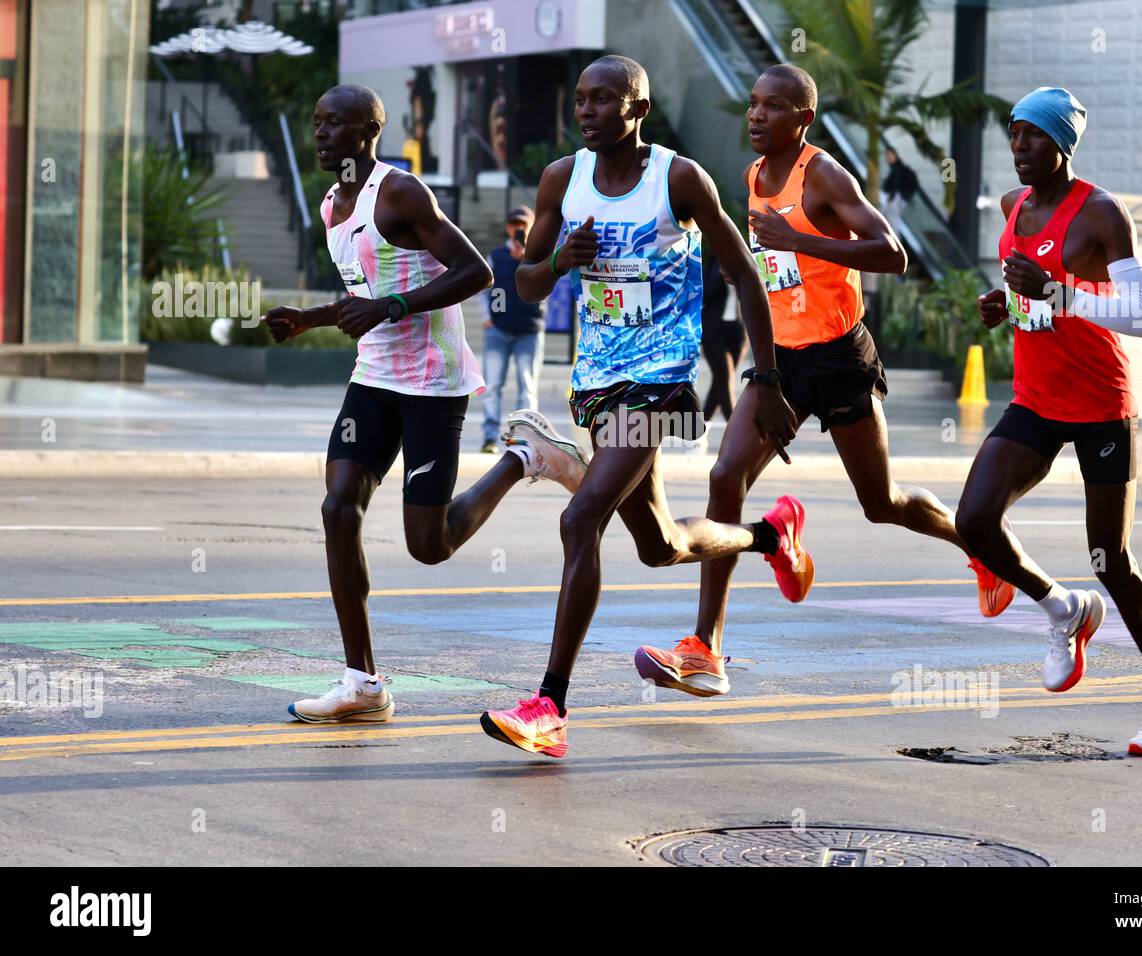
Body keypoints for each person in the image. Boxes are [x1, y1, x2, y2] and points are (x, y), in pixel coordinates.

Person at [635, 65, 1014, 699]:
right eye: (753, 104)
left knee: (881, 503)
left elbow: (892, 253)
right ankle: (707, 648)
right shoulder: (754, 176)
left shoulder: (825, 174)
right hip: (780, 360)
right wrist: (761, 318)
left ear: (802, 119)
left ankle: (979, 547)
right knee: (725, 477)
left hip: (841, 357)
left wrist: (801, 240)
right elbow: (768, 271)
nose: (756, 116)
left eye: (774, 107)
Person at [478, 55, 805, 758]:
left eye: (604, 100)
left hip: (662, 381)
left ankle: (550, 705)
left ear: (639, 109)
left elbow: (745, 275)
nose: (588, 111)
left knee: (580, 517)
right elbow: (529, 287)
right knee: (660, 545)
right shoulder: (560, 181)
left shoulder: (677, 179)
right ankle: (772, 536)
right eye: (580, 100)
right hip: (596, 380)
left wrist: (768, 379)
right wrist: (561, 261)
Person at [262, 84, 587, 724]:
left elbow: (477, 273)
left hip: (433, 381)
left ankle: (525, 459)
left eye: (335, 125)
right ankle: (362, 682)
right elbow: (366, 292)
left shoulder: (400, 192)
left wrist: (394, 307)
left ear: (367, 132)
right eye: (317, 122)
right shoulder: (333, 204)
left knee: (428, 546)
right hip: (375, 377)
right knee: (338, 508)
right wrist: (313, 317)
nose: (321, 134)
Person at [955, 87, 1142, 756]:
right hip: (1035, 398)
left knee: (1109, 559)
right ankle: (1063, 608)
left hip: (1100, 406)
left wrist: (1054, 293)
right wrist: (1005, 303)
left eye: (1032, 135)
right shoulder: (1013, 208)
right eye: (1013, 134)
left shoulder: (1101, 213)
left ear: (1063, 144)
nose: (1019, 147)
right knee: (973, 521)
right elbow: (1028, 290)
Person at [479, 206, 546, 453]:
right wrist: (487, 316)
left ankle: (525, 437)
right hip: (499, 328)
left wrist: (527, 260)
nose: (518, 228)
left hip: (529, 329)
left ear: (531, 226)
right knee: (493, 384)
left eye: (523, 224)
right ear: (508, 227)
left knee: (527, 385)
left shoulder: (540, 255)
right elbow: (484, 287)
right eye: (514, 224)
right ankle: (489, 437)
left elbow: (549, 287)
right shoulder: (496, 256)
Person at [700, 250, 747, 422]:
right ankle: (736, 425)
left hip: (737, 332)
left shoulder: (742, 269)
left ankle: (700, 430)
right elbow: (706, 294)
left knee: (719, 383)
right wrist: (721, 272)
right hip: (713, 332)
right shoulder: (709, 270)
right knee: (725, 378)